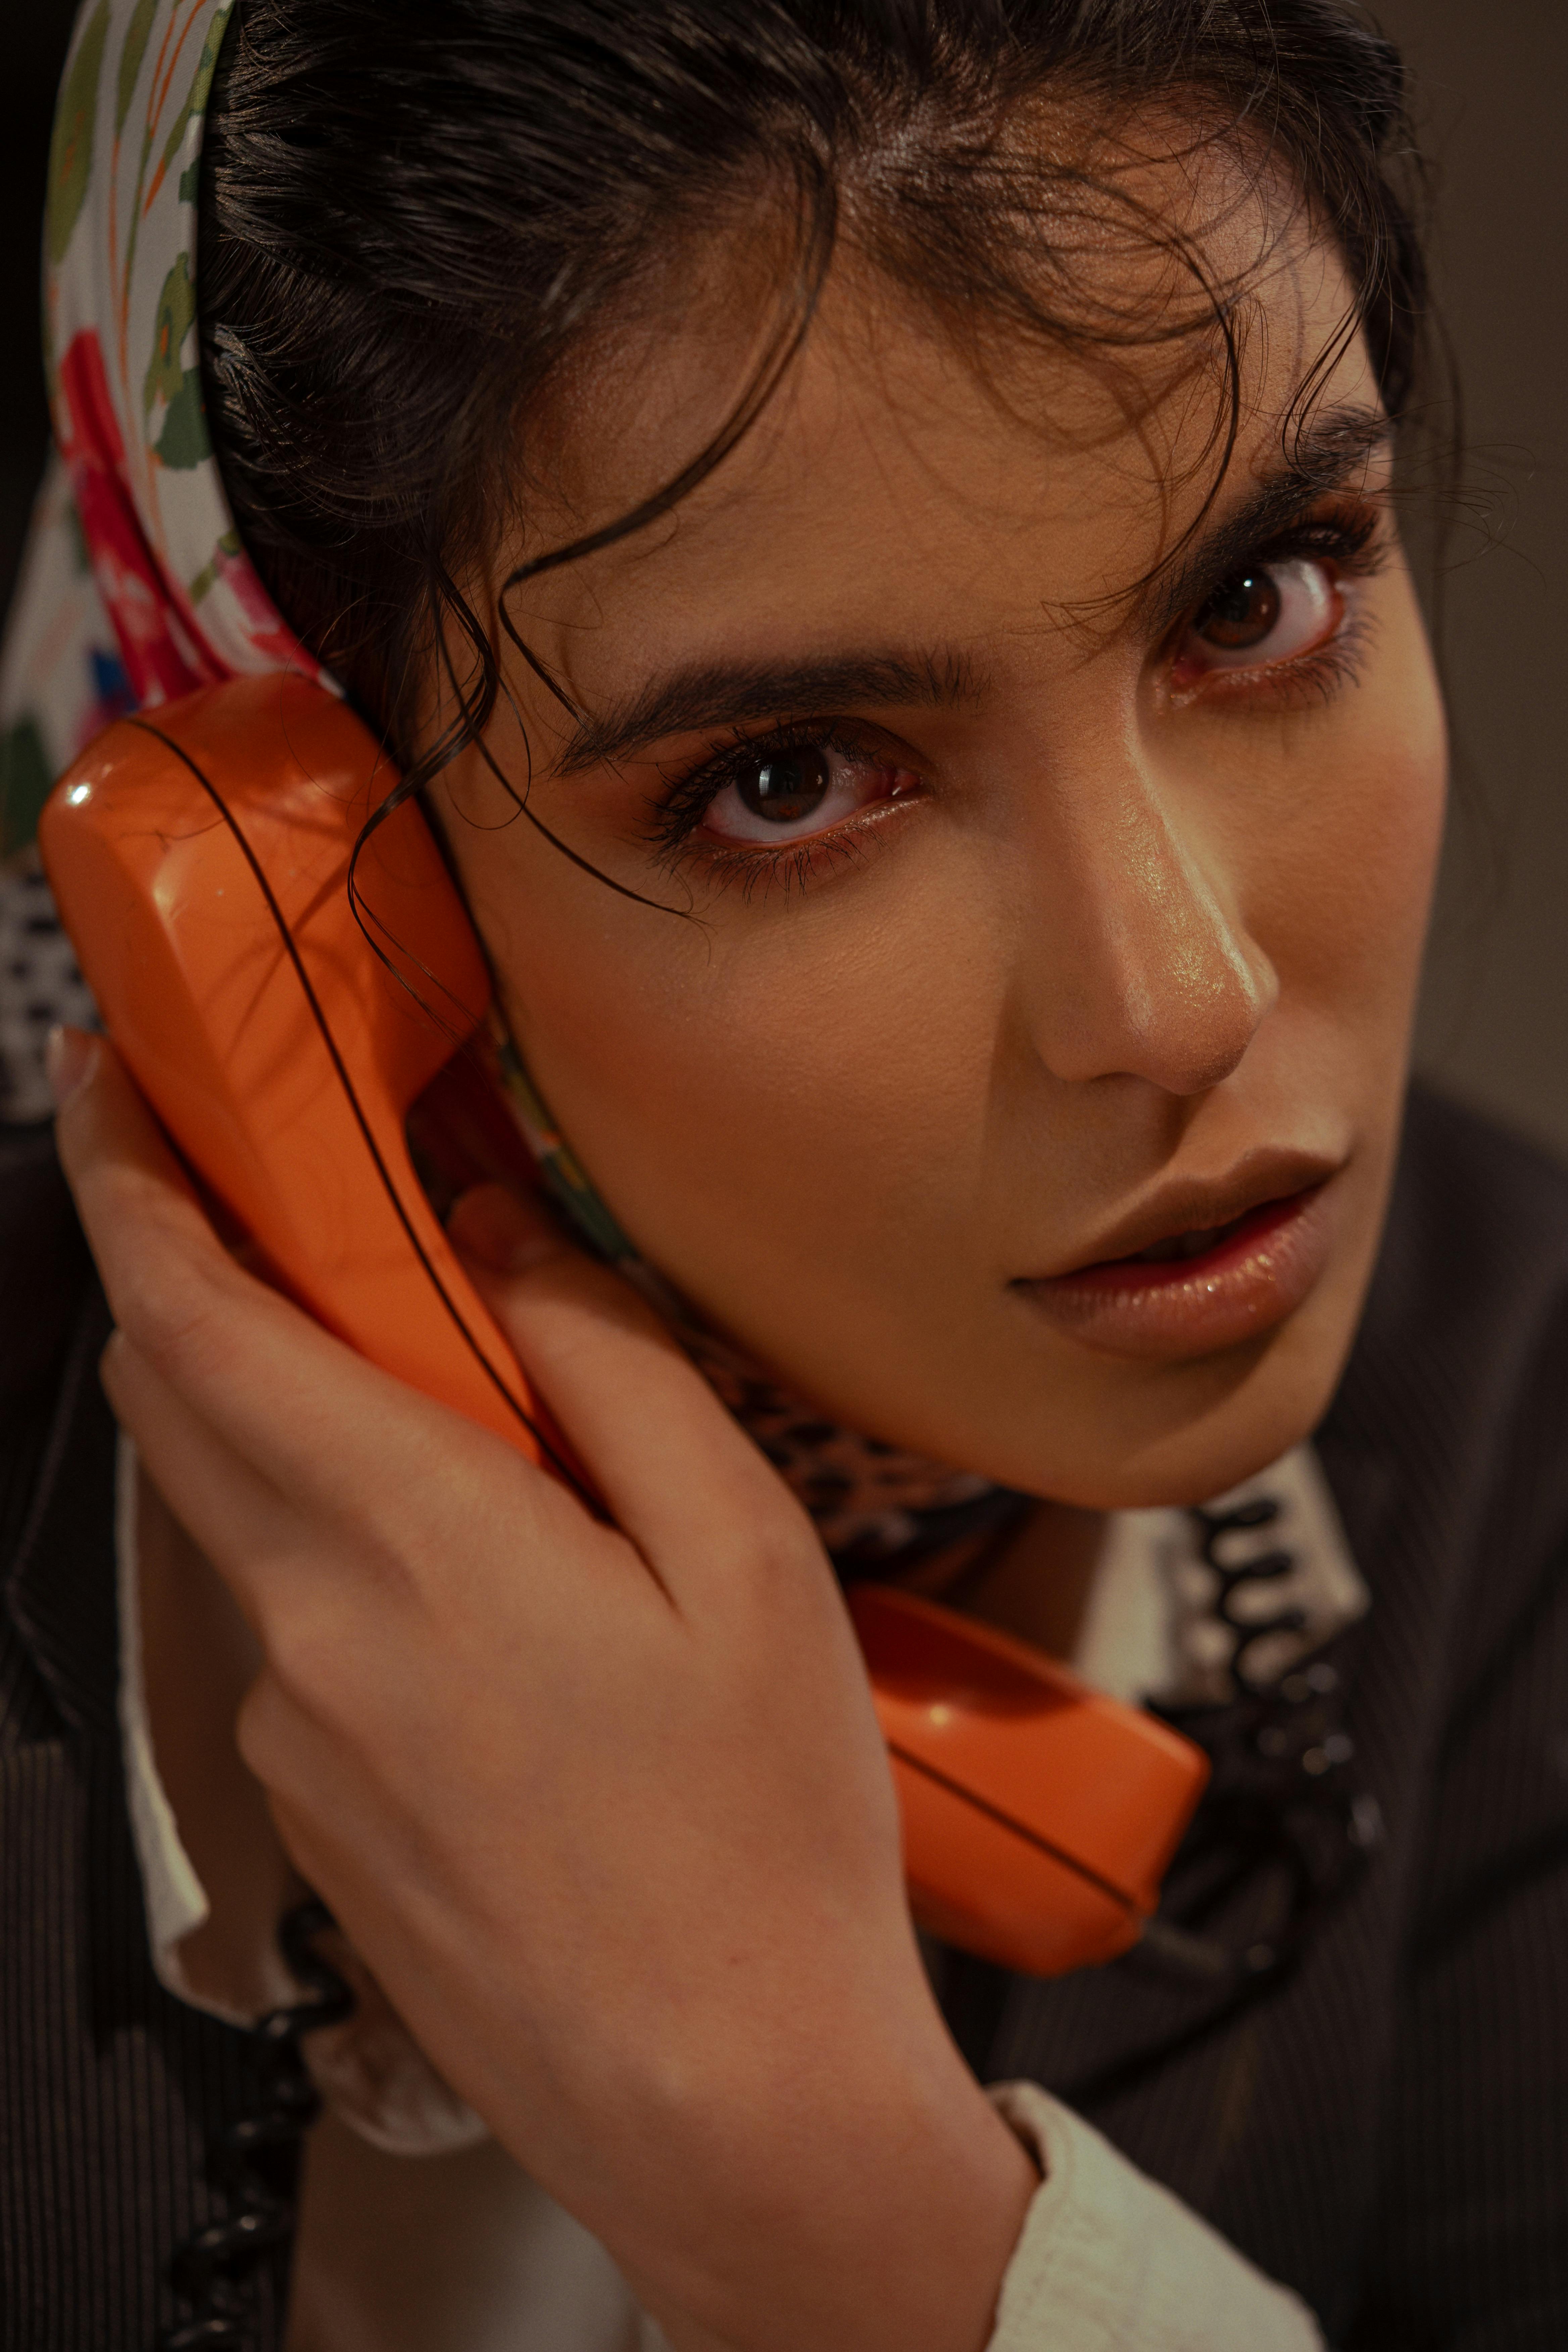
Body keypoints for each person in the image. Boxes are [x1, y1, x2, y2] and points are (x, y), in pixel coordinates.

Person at [1, 0, 1564, 2345]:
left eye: (1261, 595)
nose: (1179, 999)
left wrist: (838, 2198)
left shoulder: (1526, 1415)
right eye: (794, 777)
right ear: (314, 875)